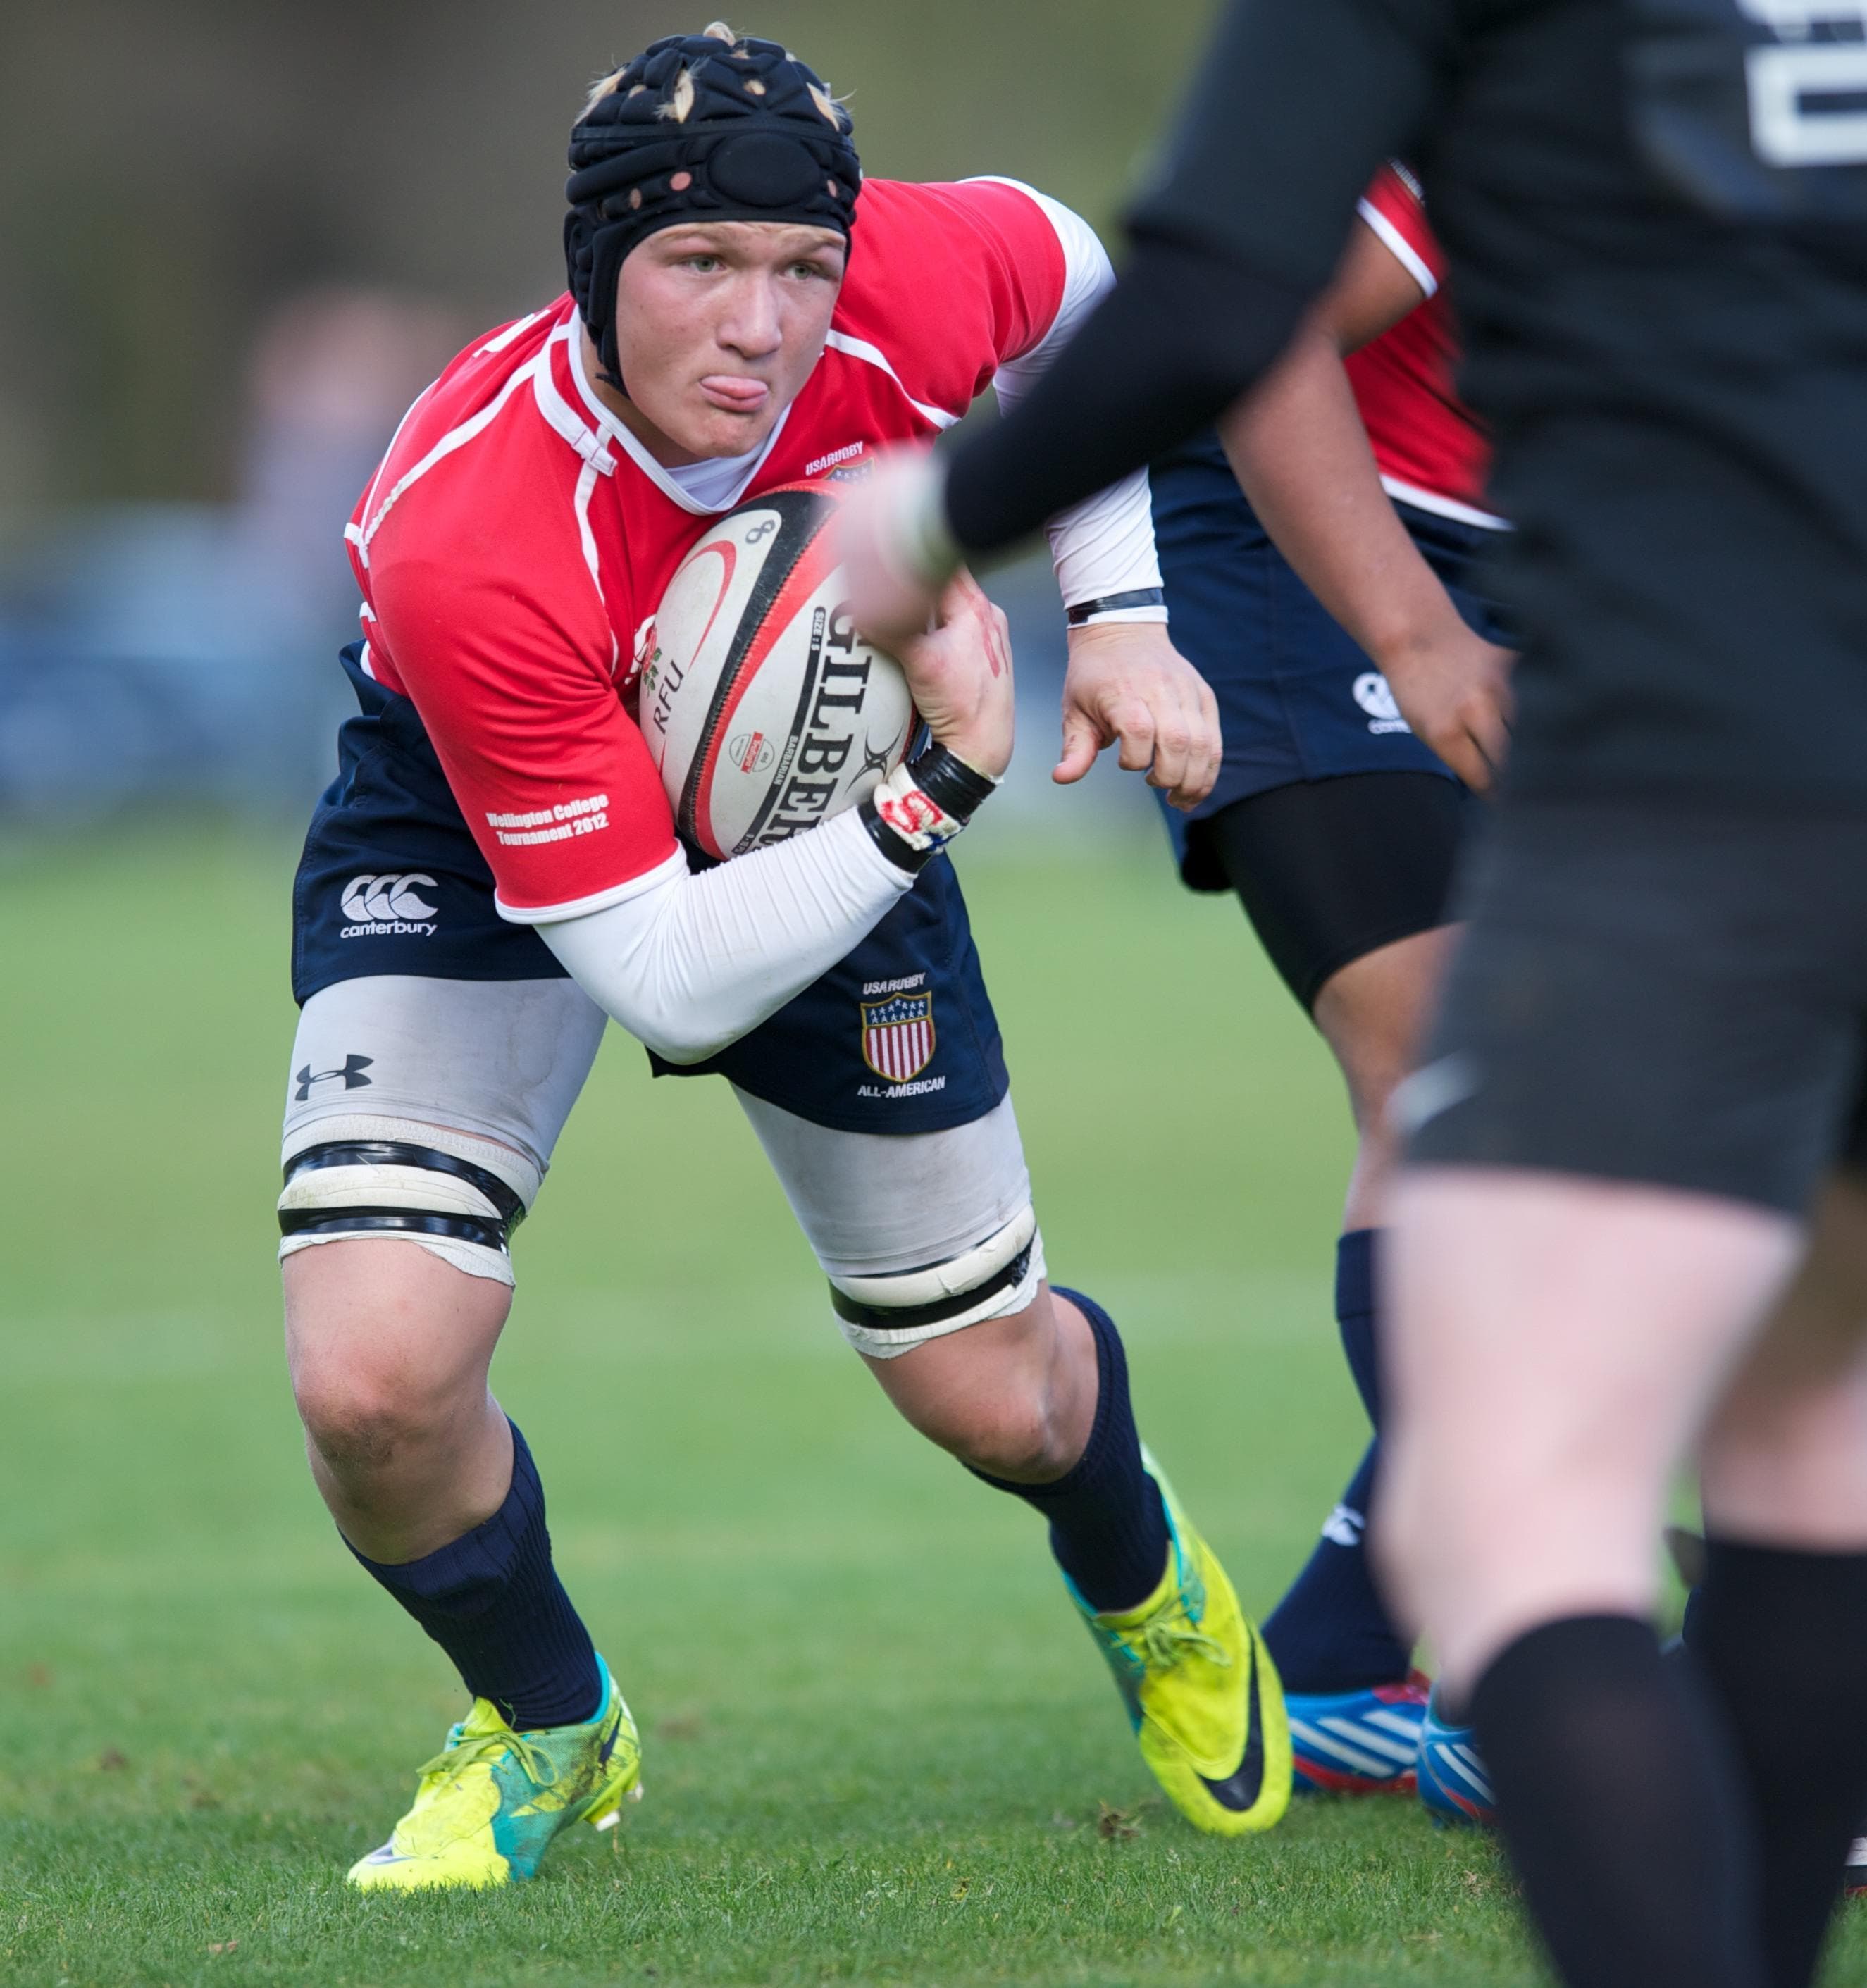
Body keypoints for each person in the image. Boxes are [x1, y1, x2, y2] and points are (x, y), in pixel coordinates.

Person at [840, 0, 1867, 1982]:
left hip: (1687, 712)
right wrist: (1411, 632)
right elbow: (1261, 353)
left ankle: (1387, 1642)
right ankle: (1388, 1659)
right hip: (1595, 614)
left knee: (1508, 1508)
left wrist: (908, 523)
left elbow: (1203, 299)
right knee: (1798, 1396)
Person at [280, 24, 1280, 1894]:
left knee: (1002, 1395)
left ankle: (1131, 1557)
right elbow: (662, 969)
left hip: (819, 793)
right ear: (597, 269)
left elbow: (1082, 294)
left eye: (799, 269)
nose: (761, 321)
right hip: (488, 800)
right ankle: (546, 1711)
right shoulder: (469, 531)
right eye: (698, 268)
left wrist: (1119, 614)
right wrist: (943, 785)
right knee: (373, 1377)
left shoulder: (902, 276)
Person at [1143, 159, 1508, 1815]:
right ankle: (1504, 1656)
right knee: (1448, 1080)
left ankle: (1354, 1656)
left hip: (1561, 557)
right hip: (1314, 526)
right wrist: (1419, 633)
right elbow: (1261, 335)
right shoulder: (1581, 61)